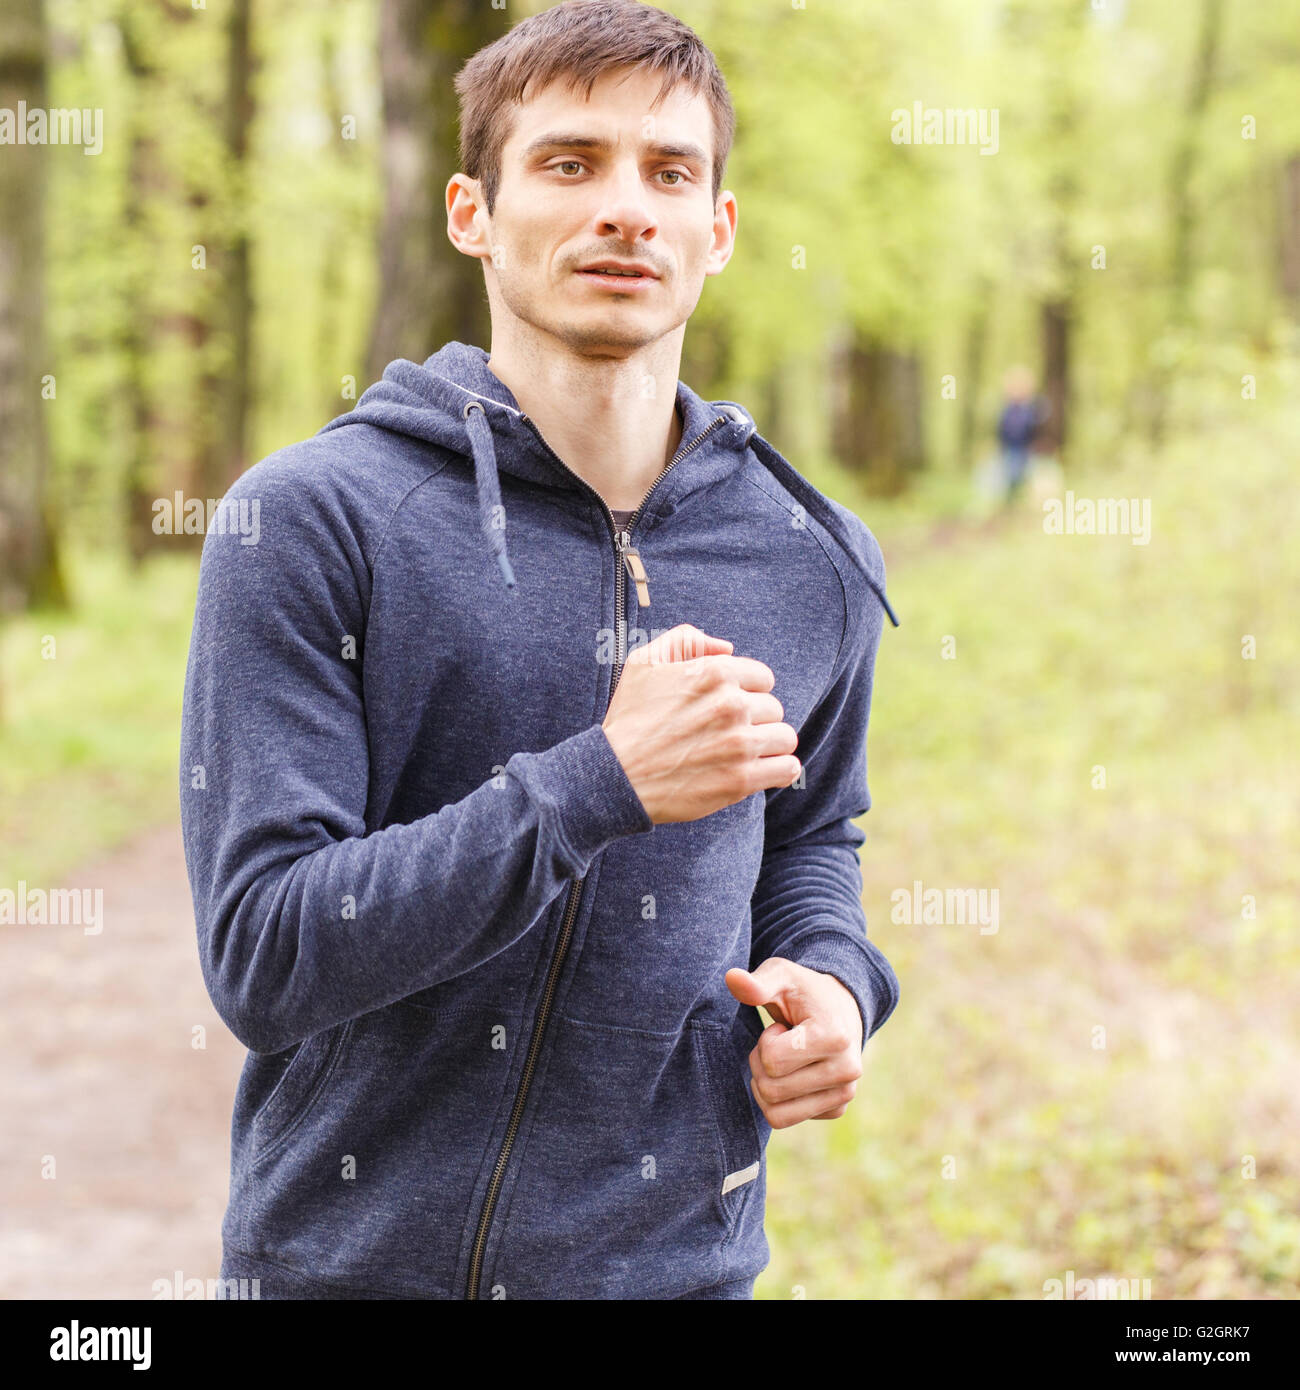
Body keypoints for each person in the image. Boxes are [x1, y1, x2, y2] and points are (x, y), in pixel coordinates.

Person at [180, 0, 900, 1301]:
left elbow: (812, 839)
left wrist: (837, 986)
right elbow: (264, 954)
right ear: (472, 213)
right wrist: (597, 784)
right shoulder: (311, 519)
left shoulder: (810, 551)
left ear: (716, 230)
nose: (626, 207)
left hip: (677, 1273)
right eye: (571, 163)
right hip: (342, 1272)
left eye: (669, 172)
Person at [996, 365, 1043, 503]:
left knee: (1024, 473)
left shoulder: (1030, 409)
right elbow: (1001, 430)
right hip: (1010, 449)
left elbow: (1035, 429)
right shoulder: (1007, 410)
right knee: (1011, 472)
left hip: (1027, 449)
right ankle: (1011, 497)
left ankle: (1021, 497)